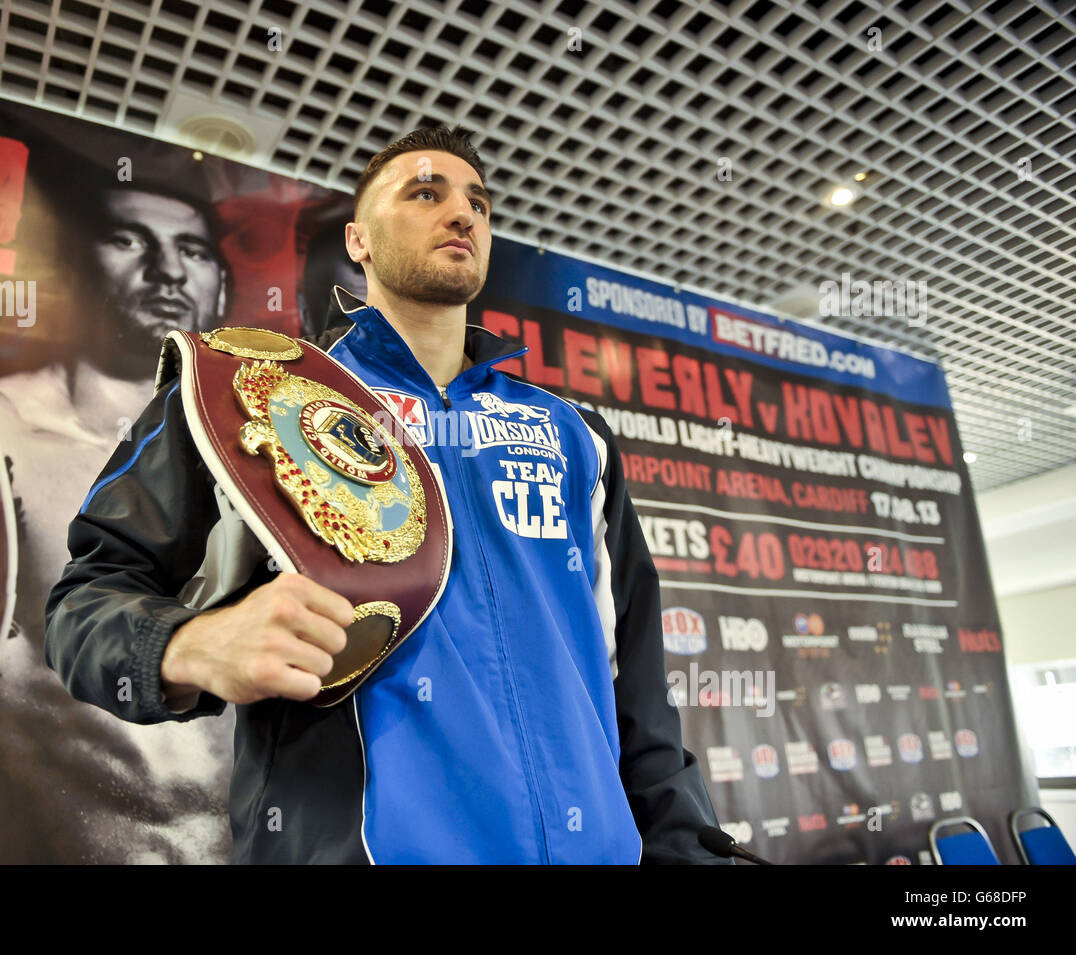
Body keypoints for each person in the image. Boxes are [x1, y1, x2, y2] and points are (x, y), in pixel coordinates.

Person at [44, 124, 731, 864]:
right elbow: (81, 606)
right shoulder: (248, 392)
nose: (463, 214)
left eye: (479, 203)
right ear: (359, 240)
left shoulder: (572, 436)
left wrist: (687, 851)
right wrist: (187, 644)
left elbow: (640, 698)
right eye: (426, 192)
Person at [0, 181, 237, 864]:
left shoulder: (261, 456)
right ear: (74, 268)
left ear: (220, 291)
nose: (166, 270)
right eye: (129, 240)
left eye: (192, 250)